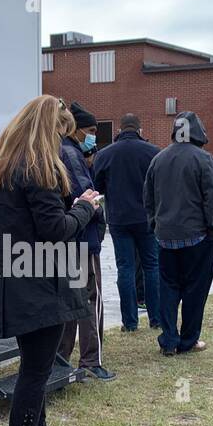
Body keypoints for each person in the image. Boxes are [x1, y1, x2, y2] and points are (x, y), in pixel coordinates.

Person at [0, 96, 102, 426]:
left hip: (11, 276)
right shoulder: (39, 172)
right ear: (48, 130)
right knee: (36, 369)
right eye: (60, 133)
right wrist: (85, 207)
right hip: (38, 282)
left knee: (37, 362)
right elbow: (54, 230)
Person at [144, 110, 213, 354]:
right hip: (197, 236)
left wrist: (154, 224)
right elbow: (212, 199)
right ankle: (188, 340)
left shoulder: (158, 159)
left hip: (165, 236)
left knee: (168, 288)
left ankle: (168, 339)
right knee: (195, 290)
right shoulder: (204, 159)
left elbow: (148, 197)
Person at [56, 103, 113, 380]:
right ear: (76, 129)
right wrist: (98, 213)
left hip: (65, 239)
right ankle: (92, 360)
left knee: (69, 300)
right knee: (91, 298)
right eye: (90, 131)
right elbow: (87, 196)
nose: (93, 136)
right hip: (83, 238)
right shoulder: (72, 154)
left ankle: (61, 358)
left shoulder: (57, 151)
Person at [92, 112, 161, 331]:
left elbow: (98, 187)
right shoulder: (153, 153)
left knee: (126, 268)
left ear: (119, 131)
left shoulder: (105, 154)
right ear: (140, 131)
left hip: (120, 219)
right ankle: (156, 318)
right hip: (146, 219)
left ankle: (129, 322)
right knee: (152, 266)